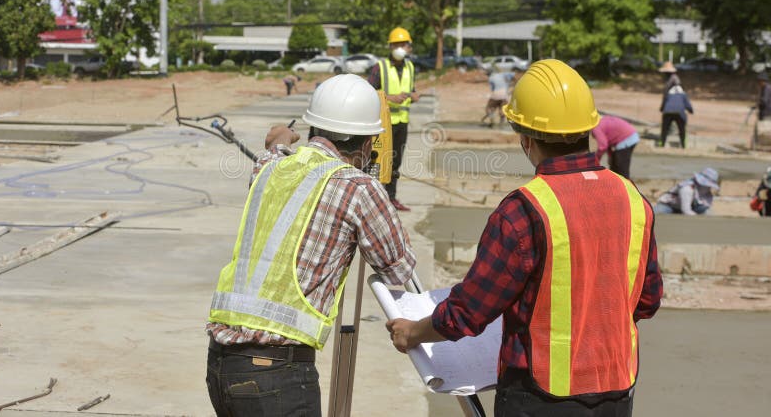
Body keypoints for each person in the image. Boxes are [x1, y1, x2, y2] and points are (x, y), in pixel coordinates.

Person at [387, 59, 662, 417]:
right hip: (617, 394)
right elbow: (647, 301)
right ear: (588, 129)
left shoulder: (524, 210)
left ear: (526, 138)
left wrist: (412, 333)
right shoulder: (633, 200)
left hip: (540, 399)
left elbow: (468, 312)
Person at [205, 74, 416, 417]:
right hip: (278, 376)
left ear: (315, 128)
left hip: (222, 366)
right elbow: (398, 267)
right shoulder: (358, 187)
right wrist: (376, 191)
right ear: (366, 144)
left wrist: (283, 139)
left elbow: (273, 147)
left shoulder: (269, 167)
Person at [367, 26, 420, 212]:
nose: (399, 47)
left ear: (409, 47)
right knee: (378, 161)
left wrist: (414, 95)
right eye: (396, 44)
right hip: (383, 124)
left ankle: (390, 198)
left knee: (395, 162)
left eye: (402, 44)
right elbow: (367, 92)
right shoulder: (379, 67)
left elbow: (411, 89)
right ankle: (373, 199)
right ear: (390, 47)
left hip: (402, 121)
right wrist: (389, 98)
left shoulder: (411, 67)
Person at [655, 167, 720, 215]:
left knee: (708, 213)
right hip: (669, 206)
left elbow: (706, 205)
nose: (709, 187)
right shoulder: (687, 188)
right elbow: (686, 210)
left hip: (691, 208)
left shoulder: (705, 192)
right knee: (654, 215)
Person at [659, 82, 693, 148]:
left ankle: (661, 144)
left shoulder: (668, 94)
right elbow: (688, 106)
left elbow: (663, 106)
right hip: (679, 113)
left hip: (667, 112)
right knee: (682, 130)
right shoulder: (683, 94)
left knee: (664, 129)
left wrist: (662, 109)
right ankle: (683, 146)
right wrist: (691, 111)